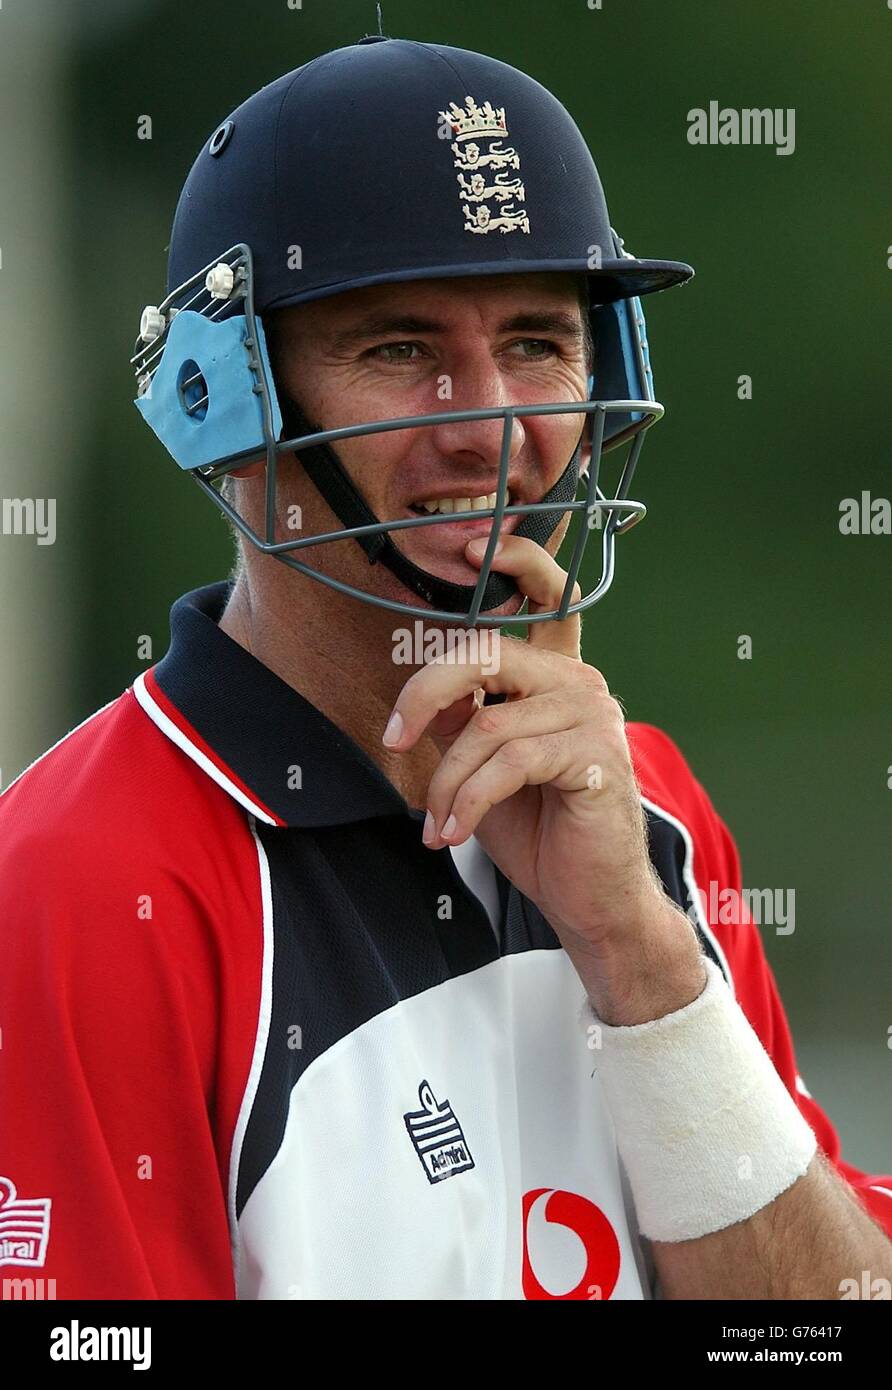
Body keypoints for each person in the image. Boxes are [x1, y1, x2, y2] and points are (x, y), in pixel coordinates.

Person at [2, 36, 891, 1301]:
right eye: (395, 349)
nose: (489, 427)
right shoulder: (83, 882)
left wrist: (638, 957)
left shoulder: (650, 813)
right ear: (224, 400)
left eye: (538, 342)